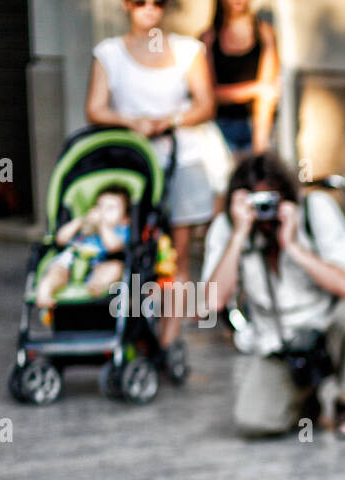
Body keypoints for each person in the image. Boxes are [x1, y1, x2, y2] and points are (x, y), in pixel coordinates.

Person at [86, 0, 234, 348]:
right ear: (126, 6)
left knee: (177, 255)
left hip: (180, 161)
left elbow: (205, 104)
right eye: (141, 2)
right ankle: (133, 334)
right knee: (133, 250)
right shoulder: (109, 53)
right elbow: (95, 108)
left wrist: (170, 120)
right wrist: (132, 122)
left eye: (158, 3)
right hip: (133, 168)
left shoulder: (187, 50)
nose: (150, 9)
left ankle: (167, 342)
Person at [201, 153, 345, 438]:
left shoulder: (314, 210)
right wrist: (238, 235)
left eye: (269, 201)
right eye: (255, 202)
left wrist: (294, 246)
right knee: (256, 422)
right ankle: (305, 396)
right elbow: (213, 303)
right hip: (279, 343)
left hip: (328, 328)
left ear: (286, 196)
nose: (263, 211)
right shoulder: (228, 227)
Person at [202, 0, 280, 158]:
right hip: (219, 130)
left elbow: (267, 96)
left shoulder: (264, 34)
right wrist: (254, 89)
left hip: (256, 127)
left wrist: (260, 147)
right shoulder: (209, 38)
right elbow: (208, 96)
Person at [35, 185, 130, 309]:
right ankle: (44, 292)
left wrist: (102, 225)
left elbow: (113, 246)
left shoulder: (121, 230)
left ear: (125, 219)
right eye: (100, 206)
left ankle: (96, 285)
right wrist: (79, 222)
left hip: (101, 263)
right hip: (72, 259)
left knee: (116, 268)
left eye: (110, 208)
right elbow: (61, 239)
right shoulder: (87, 227)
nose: (103, 212)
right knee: (56, 271)